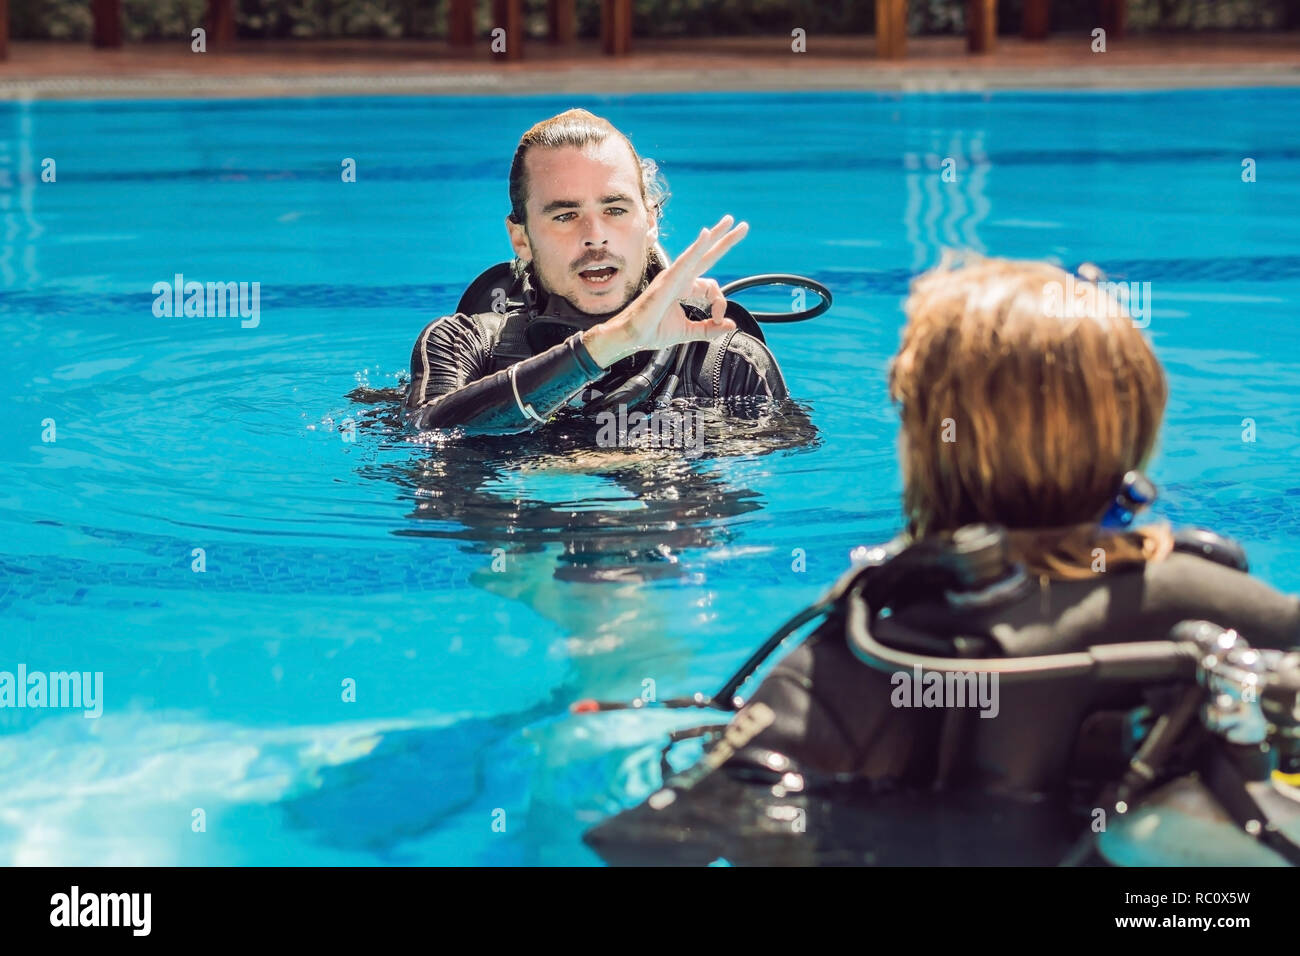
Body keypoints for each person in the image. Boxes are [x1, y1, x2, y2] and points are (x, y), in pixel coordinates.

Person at [584, 255, 1300, 865]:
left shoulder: (874, 656)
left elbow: (641, 843)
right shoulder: (1229, 611)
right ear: (1136, 425)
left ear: (930, 445)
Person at [404, 108, 788, 435]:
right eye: (566, 215)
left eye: (615, 210)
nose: (595, 237)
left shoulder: (728, 365)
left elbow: (737, 503)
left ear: (650, 222)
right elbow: (430, 437)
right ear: (520, 238)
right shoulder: (463, 346)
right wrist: (615, 341)